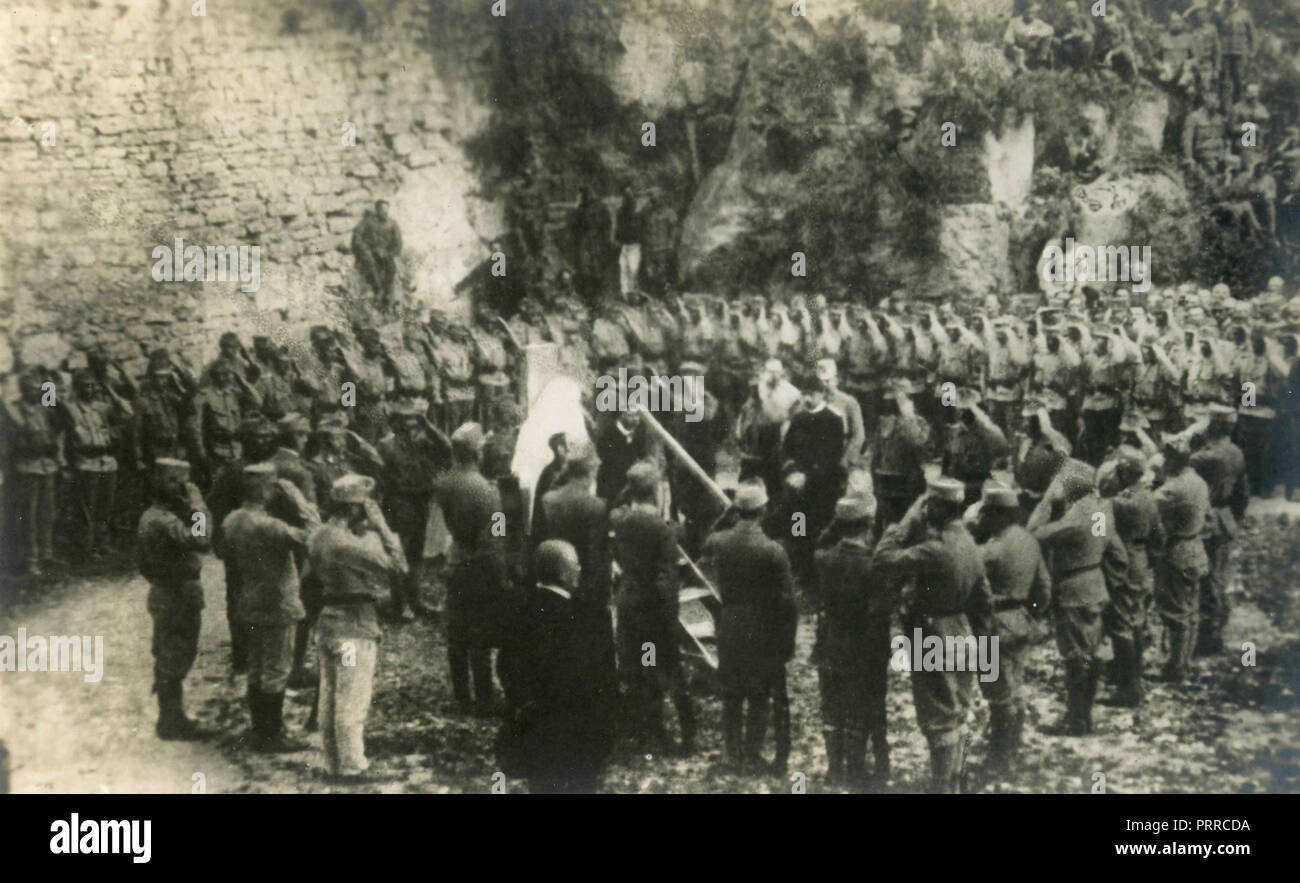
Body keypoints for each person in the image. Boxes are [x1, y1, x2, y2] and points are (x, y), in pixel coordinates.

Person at [874, 477, 992, 793]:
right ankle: (952, 782)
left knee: (937, 718)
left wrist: (905, 521)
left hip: (932, 635)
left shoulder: (936, 549)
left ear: (940, 507)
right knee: (957, 713)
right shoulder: (970, 544)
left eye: (930, 505)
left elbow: (883, 558)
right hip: (962, 632)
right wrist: (982, 649)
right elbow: (984, 601)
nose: (926, 510)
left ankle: (942, 786)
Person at [496, 540, 617, 793]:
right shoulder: (591, 616)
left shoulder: (518, 610)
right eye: (576, 565)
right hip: (580, 734)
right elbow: (603, 680)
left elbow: (506, 668)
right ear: (563, 573)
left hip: (536, 733)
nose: (580, 569)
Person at [307, 474, 407, 781]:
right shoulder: (351, 545)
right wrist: (382, 527)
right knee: (352, 697)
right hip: (353, 628)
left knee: (329, 696)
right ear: (354, 508)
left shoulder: (320, 534)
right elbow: (399, 565)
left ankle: (332, 761)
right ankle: (352, 765)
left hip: (328, 623)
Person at [221, 462, 319, 753]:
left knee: (256, 667)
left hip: (251, 599)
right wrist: (299, 501)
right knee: (276, 668)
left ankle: (259, 728)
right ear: (266, 490)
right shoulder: (271, 526)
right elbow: (314, 536)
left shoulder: (232, 520)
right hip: (278, 602)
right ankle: (272, 734)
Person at [701, 482, 797, 774]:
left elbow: (706, 541)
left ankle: (733, 753)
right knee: (758, 693)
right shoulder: (773, 551)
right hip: (761, 627)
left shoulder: (719, 542)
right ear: (763, 510)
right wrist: (786, 643)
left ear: (737, 510)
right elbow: (787, 604)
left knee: (731, 693)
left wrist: (728, 514)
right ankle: (753, 754)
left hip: (729, 622)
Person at [1030, 469, 1127, 736]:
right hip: (1095, 586)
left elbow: (1034, 533)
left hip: (1072, 590)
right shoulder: (1101, 511)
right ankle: (1084, 716)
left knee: (1074, 658)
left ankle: (1075, 720)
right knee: (1092, 654)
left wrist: (1047, 502)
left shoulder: (1075, 519)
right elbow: (1118, 555)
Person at [610, 460, 696, 756]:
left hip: (629, 603)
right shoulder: (662, 529)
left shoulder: (621, 522)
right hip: (654, 608)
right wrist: (670, 619)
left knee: (638, 667)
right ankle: (683, 738)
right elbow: (666, 578)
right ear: (655, 490)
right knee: (668, 669)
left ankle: (645, 731)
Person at [811, 492, 892, 791]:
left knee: (832, 709)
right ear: (869, 524)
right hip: (862, 649)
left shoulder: (823, 558)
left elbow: (820, 541)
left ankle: (835, 769)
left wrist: (838, 521)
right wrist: (881, 657)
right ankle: (856, 772)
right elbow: (879, 619)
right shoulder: (873, 566)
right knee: (859, 712)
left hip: (829, 643)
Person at [970, 482, 1049, 775]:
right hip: (1020, 622)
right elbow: (1044, 589)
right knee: (1014, 687)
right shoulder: (1029, 541)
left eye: (987, 513)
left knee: (998, 695)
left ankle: (1000, 758)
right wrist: (1031, 617)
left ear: (998, 514)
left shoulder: (990, 551)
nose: (983, 519)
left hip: (993, 627)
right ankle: (1011, 748)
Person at [435, 422, 507, 713]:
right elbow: (495, 538)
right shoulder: (486, 491)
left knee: (457, 634)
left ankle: (461, 696)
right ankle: (485, 698)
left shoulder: (445, 482)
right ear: (477, 453)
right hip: (479, 567)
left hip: (456, 560)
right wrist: (502, 577)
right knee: (479, 635)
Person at [138, 458, 212, 740]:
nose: (181, 488)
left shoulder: (153, 515)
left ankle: (172, 715)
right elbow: (202, 538)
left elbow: (142, 564)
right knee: (175, 655)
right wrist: (197, 504)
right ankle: (169, 720)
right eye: (174, 481)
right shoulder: (162, 520)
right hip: (176, 593)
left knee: (174, 653)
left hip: (167, 590)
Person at [1100, 449, 1164, 709]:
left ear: (1126, 472)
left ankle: (1129, 687)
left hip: (1122, 561)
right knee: (1135, 619)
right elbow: (1158, 535)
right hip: (1140, 559)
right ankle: (1131, 675)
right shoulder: (1149, 496)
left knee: (1121, 624)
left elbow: (1101, 519)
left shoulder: (1121, 501)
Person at [377, 402, 451, 621]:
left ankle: (415, 599)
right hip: (398, 504)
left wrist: (429, 426)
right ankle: (399, 605)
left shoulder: (424, 442)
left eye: (416, 421)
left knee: (416, 555)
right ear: (397, 423)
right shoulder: (386, 445)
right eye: (407, 421)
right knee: (399, 554)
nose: (412, 426)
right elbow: (380, 477)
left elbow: (447, 448)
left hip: (419, 503)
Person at [1189, 404, 1248, 656]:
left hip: (1208, 520)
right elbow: (1243, 494)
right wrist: (1232, 519)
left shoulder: (1207, 456)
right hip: (1224, 518)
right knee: (1218, 576)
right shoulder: (1235, 452)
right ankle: (1216, 628)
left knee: (1206, 579)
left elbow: (1178, 460)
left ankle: (1208, 637)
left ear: (1212, 426)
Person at [3, 370, 61, 575]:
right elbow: (17, 426)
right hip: (28, 466)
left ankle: (47, 554)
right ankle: (31, 559)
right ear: (22, 390)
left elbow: (56, 410)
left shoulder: (44, 408)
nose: (35, 392)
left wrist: (49, 382)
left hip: (47, 464)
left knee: (48, 513)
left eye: (38, 388)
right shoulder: (17, 410)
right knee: (30, 515)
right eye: (30, 389)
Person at [351, 200, 403, 310]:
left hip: (386, 254)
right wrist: (367, 250)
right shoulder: (368, 222)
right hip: (371, 252)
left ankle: (387, 294)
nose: (385, 212)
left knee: (391, 268)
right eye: (382, 210)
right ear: (377, 210)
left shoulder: (393, 224)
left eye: (386, 210)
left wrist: (388, 253)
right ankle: (379, 289)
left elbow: (398, 245)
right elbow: (358, 238)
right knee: (371, 265)